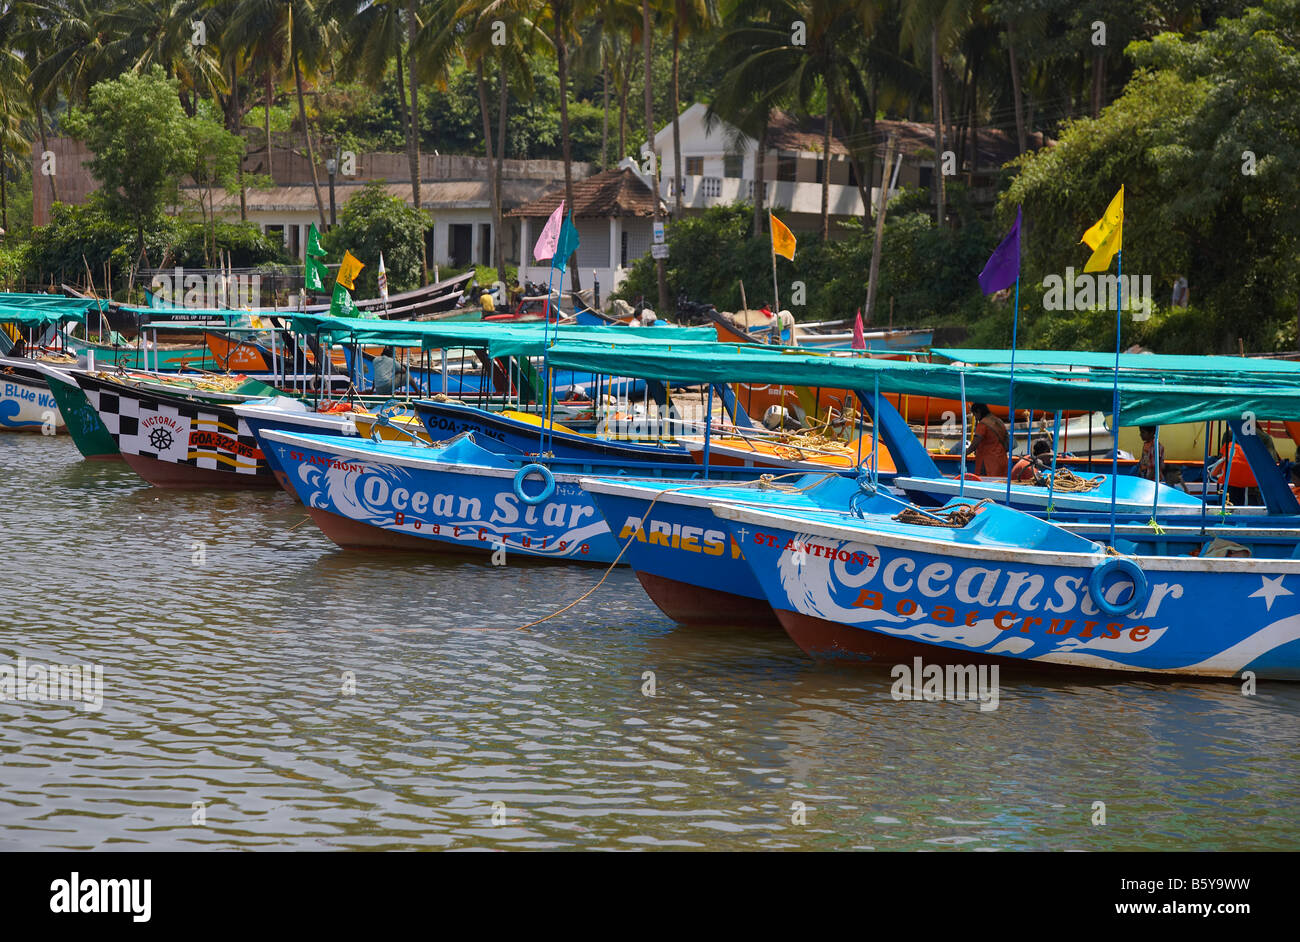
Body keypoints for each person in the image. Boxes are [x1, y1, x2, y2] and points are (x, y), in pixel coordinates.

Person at [967, 404, 1008, 477]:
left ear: (978, 412)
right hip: (1002, 459)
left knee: (985, 483)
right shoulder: (998, 421)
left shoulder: (983, 424)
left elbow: (975, 444)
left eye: (974, 414)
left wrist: (965, 453)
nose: (975, 417)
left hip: (988, 462)